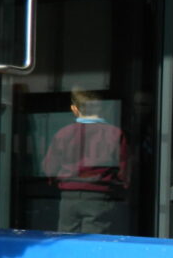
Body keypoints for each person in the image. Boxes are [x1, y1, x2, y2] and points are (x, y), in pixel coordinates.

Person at [42, 88, 129, 234]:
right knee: (94, 243)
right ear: (101, 108)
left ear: (74, 109)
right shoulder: (114, 133)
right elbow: (124, 170)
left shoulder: (63, 133)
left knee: (66, 241)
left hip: (68, 197)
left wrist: (55, 182)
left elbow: (50, 168)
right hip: (99, 196)